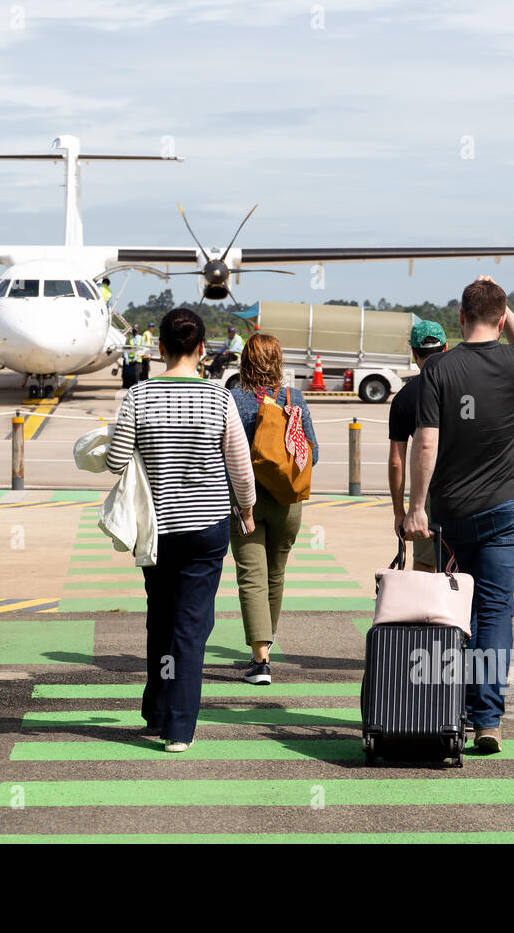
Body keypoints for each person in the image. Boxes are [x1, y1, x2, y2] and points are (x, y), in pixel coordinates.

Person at [106, 308, 257, 751]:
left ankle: (156, 710)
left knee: (161, 617)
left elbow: (116, 461)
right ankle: (176, 728)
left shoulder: (138, 395)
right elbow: (240, 468)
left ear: (159, 349)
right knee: (190, 626)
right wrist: (245, 511)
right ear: (201, 349)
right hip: (207, 527)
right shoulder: (219, 398)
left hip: (158, 529)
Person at [403, 276, 514, 754]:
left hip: (453, 515)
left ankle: (450, 708)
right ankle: (488, 720)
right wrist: (505, 301)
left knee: (456, 610)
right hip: (505, 509)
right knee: (496, 612)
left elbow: (427, 443)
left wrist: (416, 507)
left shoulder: (439, 369)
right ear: (501, 320)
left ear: (459, 318)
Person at [227, 333, 318, 684]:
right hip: (288, 501)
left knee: (251, 577)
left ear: (245, 361)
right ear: (278, 361)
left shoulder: (233, 399)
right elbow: (313, 452)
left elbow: (226, 456)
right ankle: (265, 648)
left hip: (245, 501)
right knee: (275, 574)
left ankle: (260, 659)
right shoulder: (295, 398)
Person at [387, 319, 448, 572]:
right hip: (472, 489)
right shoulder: (465, 385)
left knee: (425, 565)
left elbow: (396, 462)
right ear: (446, 348)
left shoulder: (404, 398)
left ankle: (425, 612)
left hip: (429, 494)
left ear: (414, 353)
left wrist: (401, 511)